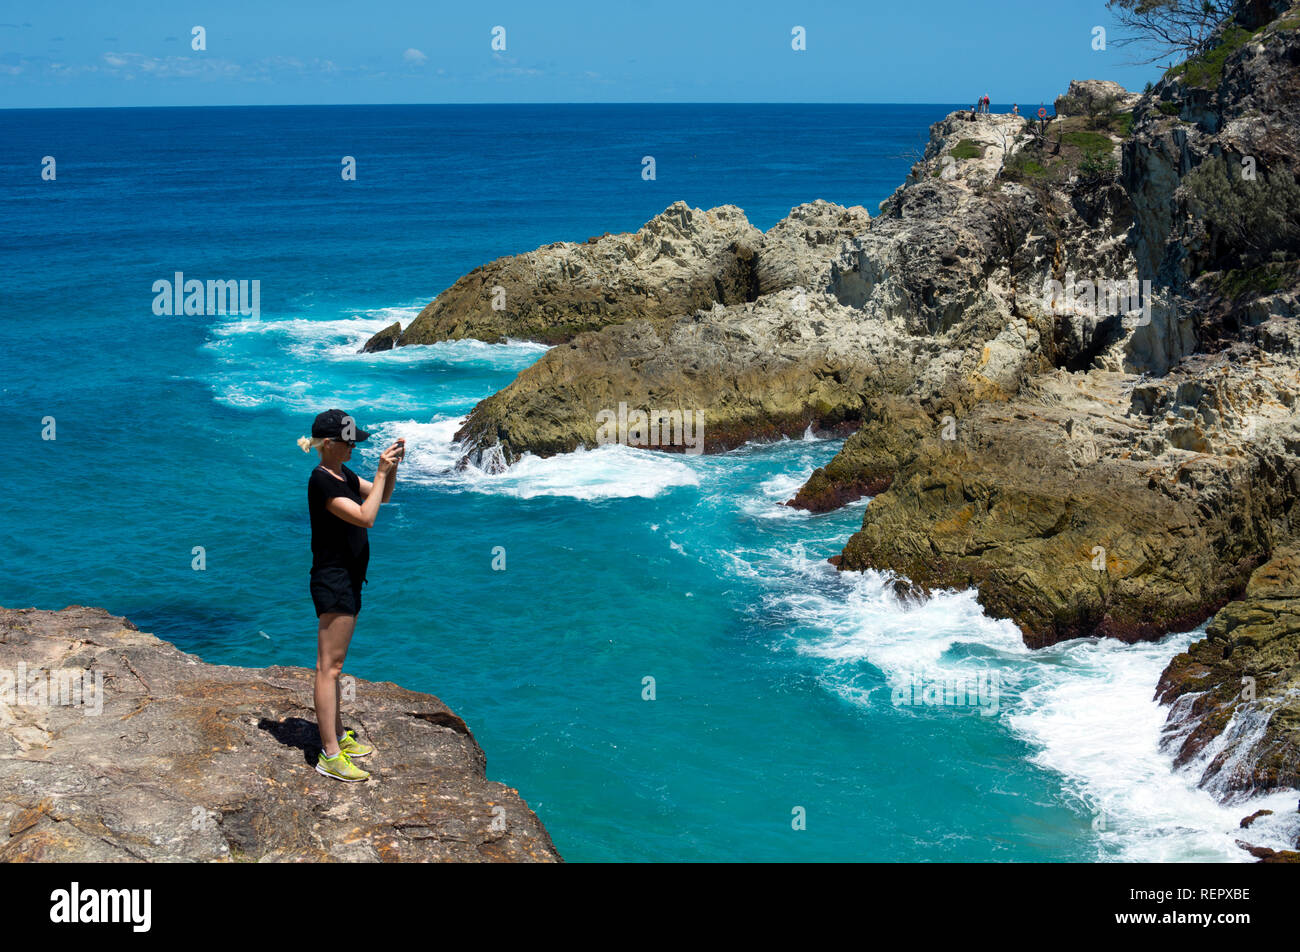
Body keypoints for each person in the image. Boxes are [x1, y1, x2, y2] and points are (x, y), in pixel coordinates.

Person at [297, 408, 405, 782]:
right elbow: (365, 516)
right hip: (333, 580)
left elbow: (382, 499)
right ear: (328, 444)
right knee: (329, 668)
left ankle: (338, 736)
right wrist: (377, 474)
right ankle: (329, 755)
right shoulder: (322, 481)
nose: (353, 448)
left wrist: (388, 473)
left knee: (336, 666)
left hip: (349, 579)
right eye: (348, 443)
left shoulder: (342, 473)